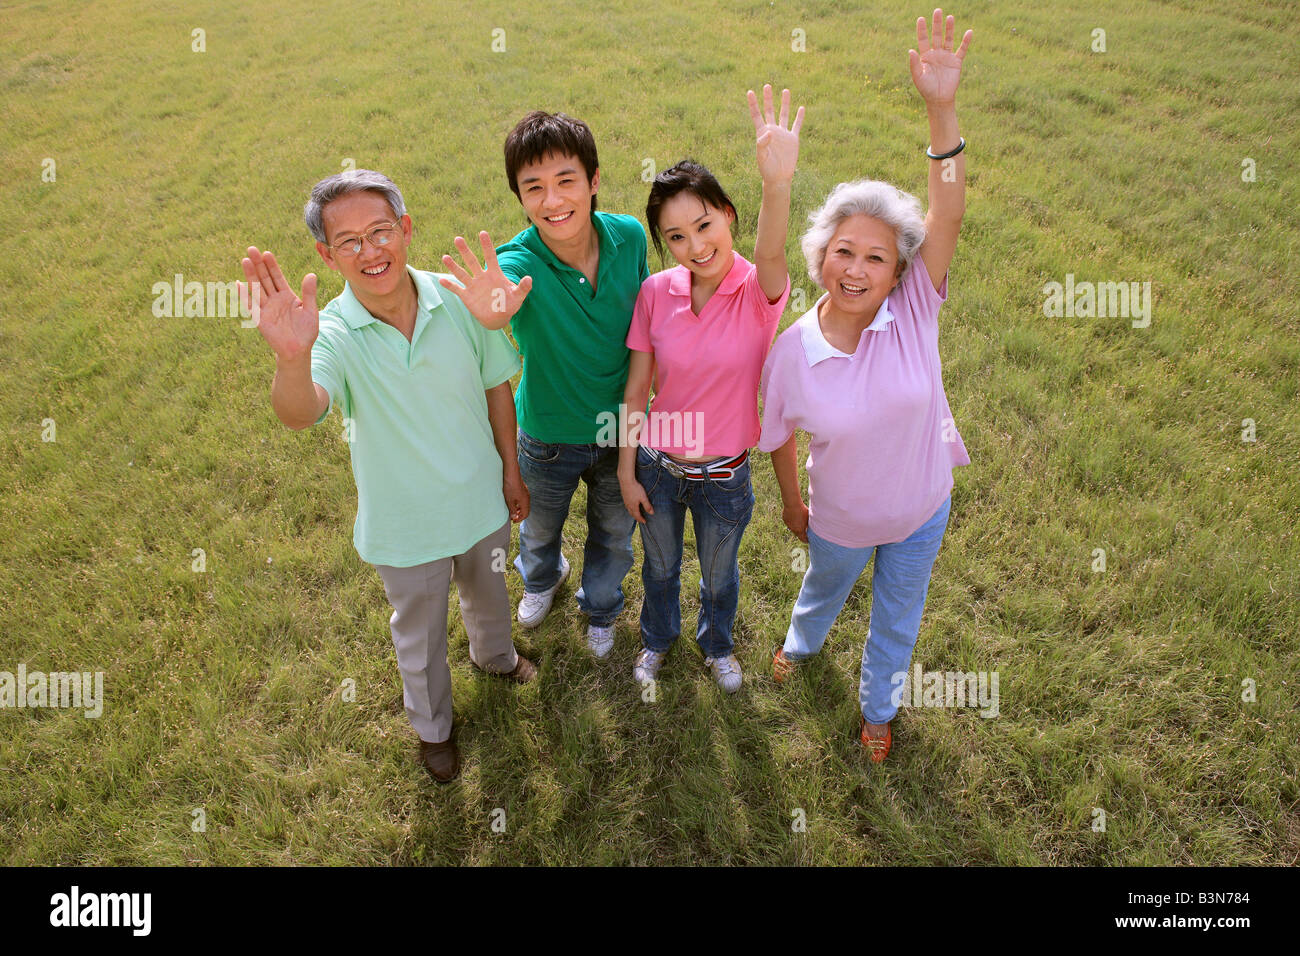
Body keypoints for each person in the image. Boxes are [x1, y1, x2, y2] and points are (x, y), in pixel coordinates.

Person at [238, 169, 536, 785]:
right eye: (348, 242)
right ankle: (434, 730)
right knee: (419, 636)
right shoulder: (335, 334)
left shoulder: (458, 298)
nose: (370, 252)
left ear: (405, 229)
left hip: (481, 502)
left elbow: (497, 389)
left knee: (490, 596)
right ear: (325, 254)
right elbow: (301, 413)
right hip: (404, 526)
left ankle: (497, 659)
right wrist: (291, 359)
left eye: (380, 232)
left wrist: (511, 470)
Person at [758, 9, 974, 759]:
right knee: (822, 589)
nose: (856, 269)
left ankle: (878, 707)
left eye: (876, 259)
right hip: (839, 519)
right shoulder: (794, 349)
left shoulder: (915, 309)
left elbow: (948, 209)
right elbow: (779, 434)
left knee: (897, 619)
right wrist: (794, 502)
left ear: (898, 273)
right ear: (821, 258)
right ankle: (801, 642)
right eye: (844, 251)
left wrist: (940, 109)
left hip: (921, 510)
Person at [439, 112, 648, 659]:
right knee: (536, 531)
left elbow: (648, 326)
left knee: (614, 535)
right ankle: (541, 580)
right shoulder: (518, 259)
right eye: (534, 188)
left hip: (623, 430)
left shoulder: (629, 237)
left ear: (594, 179)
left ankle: (600, 607)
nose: (552, 200)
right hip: (547, 436)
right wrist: (494, 308)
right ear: (520, 197)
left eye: (565, 181)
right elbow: (501, 291)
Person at [618, 86, 802, 693]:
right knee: (661, 568)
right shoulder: (655, 293)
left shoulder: (757, 288)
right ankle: (656, 640)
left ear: (727, 212)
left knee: (720, 577)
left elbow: (771, 247)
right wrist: (626, 469)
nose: (695, 247)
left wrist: (777, 184)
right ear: (662, 244)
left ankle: (717, 644)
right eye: (675, 237)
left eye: (704, 224)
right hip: (660, 468)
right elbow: (636, 387)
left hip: (725, 473)